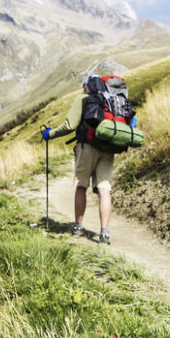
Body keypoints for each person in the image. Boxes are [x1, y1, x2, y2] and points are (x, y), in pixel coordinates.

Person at [41, 75, 115, 244]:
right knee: (104, 189)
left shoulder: (82, 99)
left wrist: (50, 134)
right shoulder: (109, 100)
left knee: (82, 186)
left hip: (87, 146)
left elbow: (70, 125)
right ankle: (104, 233)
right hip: (108, 148)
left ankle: (78, 226)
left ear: (87, 86)